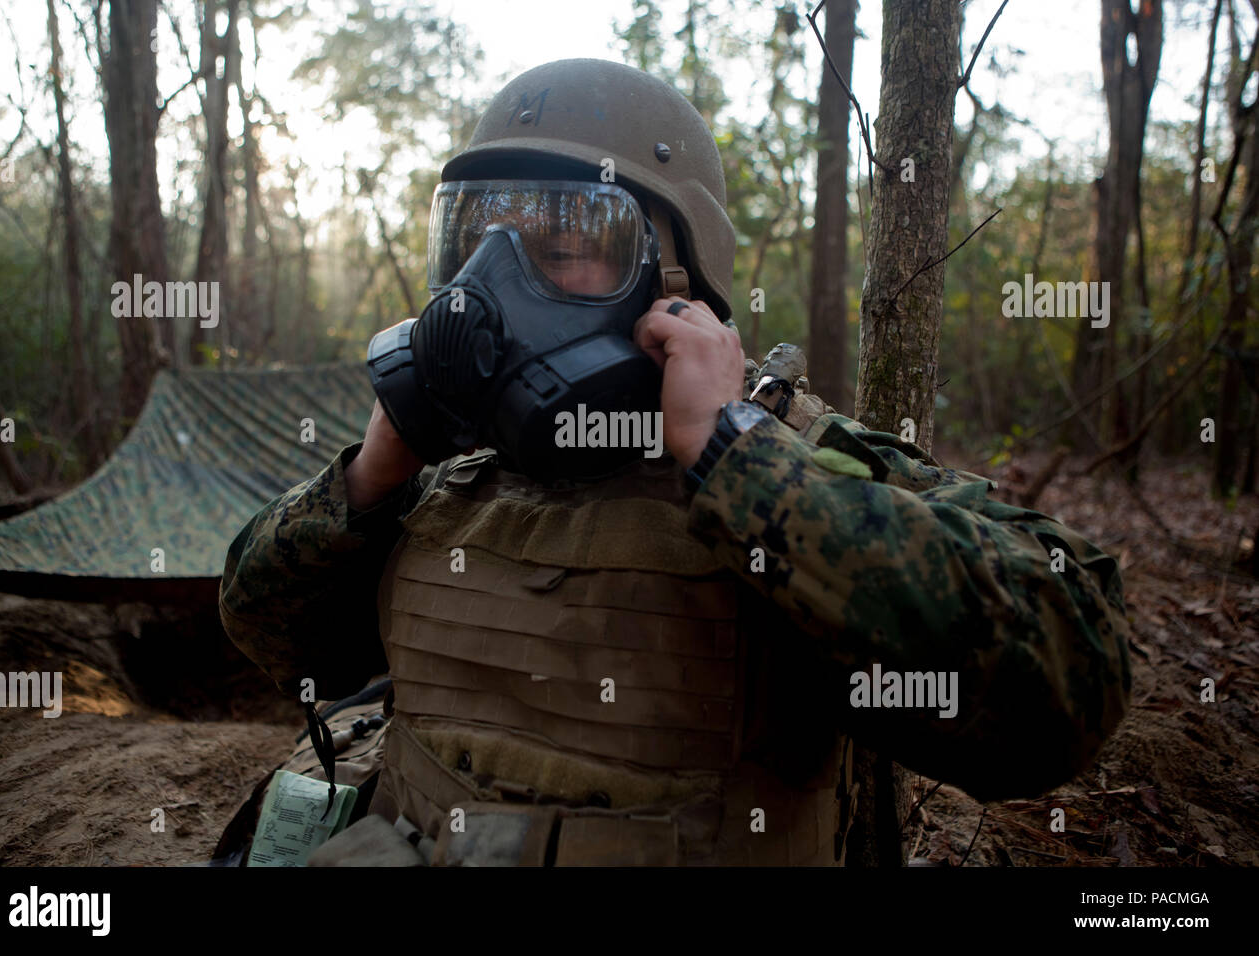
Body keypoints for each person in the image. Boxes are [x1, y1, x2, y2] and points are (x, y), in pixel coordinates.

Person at [219, 58, 1131, 866]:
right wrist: (368, 480)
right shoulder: (448, 472)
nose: (483, 290)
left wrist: (735, 462)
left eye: (565, 247)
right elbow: (272, 641)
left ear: (677, 279)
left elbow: (1066, 690)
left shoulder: (782, 460)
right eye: (473, 244)